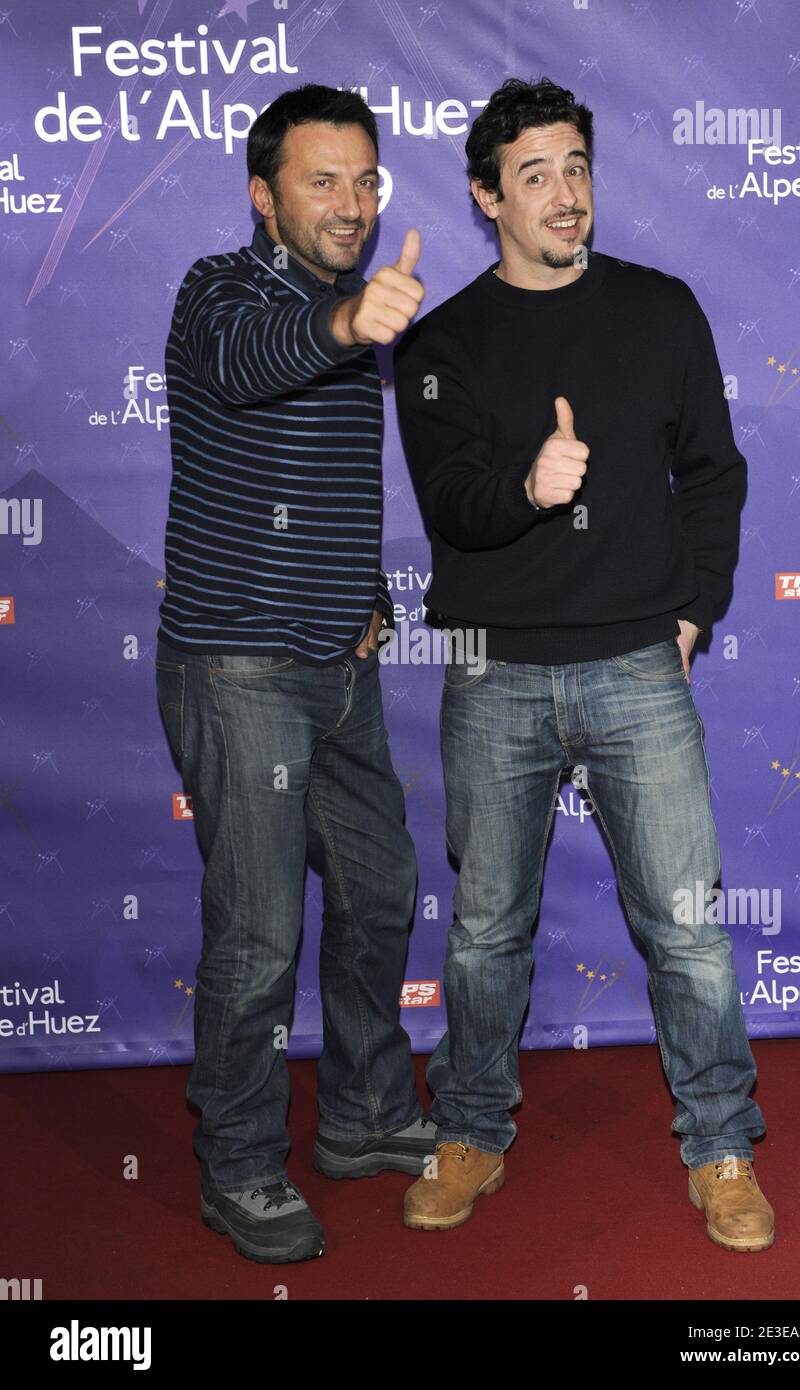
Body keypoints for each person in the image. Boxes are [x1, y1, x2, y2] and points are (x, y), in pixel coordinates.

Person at [392, 76, 773, 1252]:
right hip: (492, 674)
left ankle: (719, 1146)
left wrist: (695, 611)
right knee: (485, 930)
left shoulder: (662, 310)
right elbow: (451, 507)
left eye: (577, 167)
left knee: (687, 929)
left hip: (636, 667)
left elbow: (713, 470)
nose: (565, 194)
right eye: (536, 174)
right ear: (485, 196)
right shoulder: (441, 341)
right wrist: (528, 487)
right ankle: (470, 1130)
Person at [156, 84, 432, 1265]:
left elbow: (319, 488)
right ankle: (239, 1164)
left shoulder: (351, 305)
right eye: (322, 181)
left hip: (336, 666)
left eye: (365, 180)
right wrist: (345, 327)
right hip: (235, 670)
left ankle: (366, 1115)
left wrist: (365, 597)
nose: (351, 203)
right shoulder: (225, 296)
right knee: (260, 936)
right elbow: (249, 362)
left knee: (378, 890)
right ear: (262, 196)